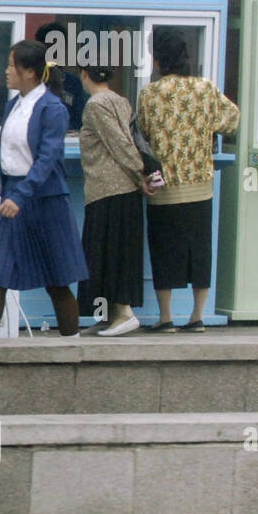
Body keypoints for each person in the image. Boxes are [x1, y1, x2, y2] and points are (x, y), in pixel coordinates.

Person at [0, 40, 88, 338]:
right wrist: (12, 194)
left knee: (57, 281)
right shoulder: (13, 105)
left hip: (46, 200)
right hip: (13, 197)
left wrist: (21, 195)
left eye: (13, 65)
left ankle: (73, 349)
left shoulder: (53, 108)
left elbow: (47, 159)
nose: (7, 71)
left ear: (31, 73)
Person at [137, 30, 239, 332]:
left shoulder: (150, 94)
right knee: (200, 249)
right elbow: (232, 117)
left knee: (164, 248)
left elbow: (142, 133)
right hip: (199, 183)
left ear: (158, 60)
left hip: (164, 185)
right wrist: (207, 127)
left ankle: (166, 317)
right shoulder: (205, 88)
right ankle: (197, 316)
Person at [77, 67, 155, 336]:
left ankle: (123, 313)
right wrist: (139, 175)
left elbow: (120, 143)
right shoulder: (121, 100)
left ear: (85, 74)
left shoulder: (96, 104)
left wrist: (140, 171)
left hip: (107, 187)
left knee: (107, 253)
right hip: (123, 189)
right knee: (116, 251)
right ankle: (109, 315)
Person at [36, 22, 87, 132]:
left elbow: (79, 120)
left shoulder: (73, 83)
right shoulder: (32, 79)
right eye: (50, 46)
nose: (55, 52)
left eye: (60, 47)